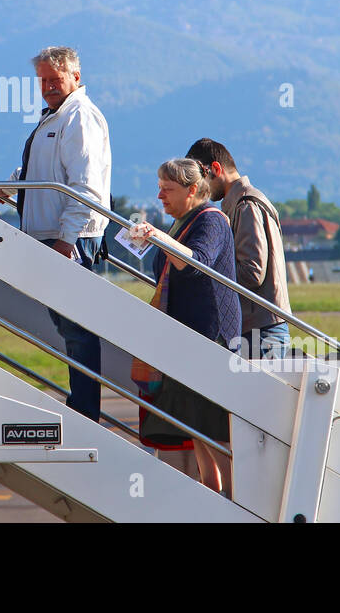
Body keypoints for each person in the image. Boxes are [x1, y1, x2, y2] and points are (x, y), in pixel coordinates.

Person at [0, 46, 111, 423]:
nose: (47, 87)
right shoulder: (57, 116)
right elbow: (44, 169)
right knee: (66, 327)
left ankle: (86, 411)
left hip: (70, 239)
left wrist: (67, 240)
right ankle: (82, 406)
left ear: (75, 76)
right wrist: (11, 185)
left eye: (54, 79)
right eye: (42, 80)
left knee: (77, 329)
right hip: (52, 235)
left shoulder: (80, 118)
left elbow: (86, 188)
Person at [128, 159, 241, 494]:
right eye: (160, 188)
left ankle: (235, 504)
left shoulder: (212, 221)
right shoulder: (184, 223)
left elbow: (197, 263)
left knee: (214, 430)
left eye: (168, 189)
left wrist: (159, 238)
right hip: (187, 338)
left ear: (193, 189)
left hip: (211, 338)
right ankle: (214, 497)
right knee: (198, 430)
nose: (160, 196)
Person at [187, 138, 291, 360]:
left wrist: (207, 277)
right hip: (258, 329)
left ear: (216, 169)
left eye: (201, 179)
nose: (200, 188)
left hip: (261, 332)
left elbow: (252, 272)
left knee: (259, 395)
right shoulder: (238, 203)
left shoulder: (246, 205)